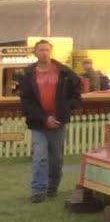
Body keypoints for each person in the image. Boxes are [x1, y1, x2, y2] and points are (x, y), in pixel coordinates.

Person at [17, 40, 82, 203]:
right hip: (38, 124)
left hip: (58, 122)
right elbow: (26, 101)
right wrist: (45, 118)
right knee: (40, 156)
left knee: (56, 159)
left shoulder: (64, 72)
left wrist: (64, 110)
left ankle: (52, 188)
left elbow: (76, 93)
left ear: (51, 52)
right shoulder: (27, 74)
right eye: (41, 50)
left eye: (47, 50)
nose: (44, 53)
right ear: (35, 52)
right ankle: (38, 191)